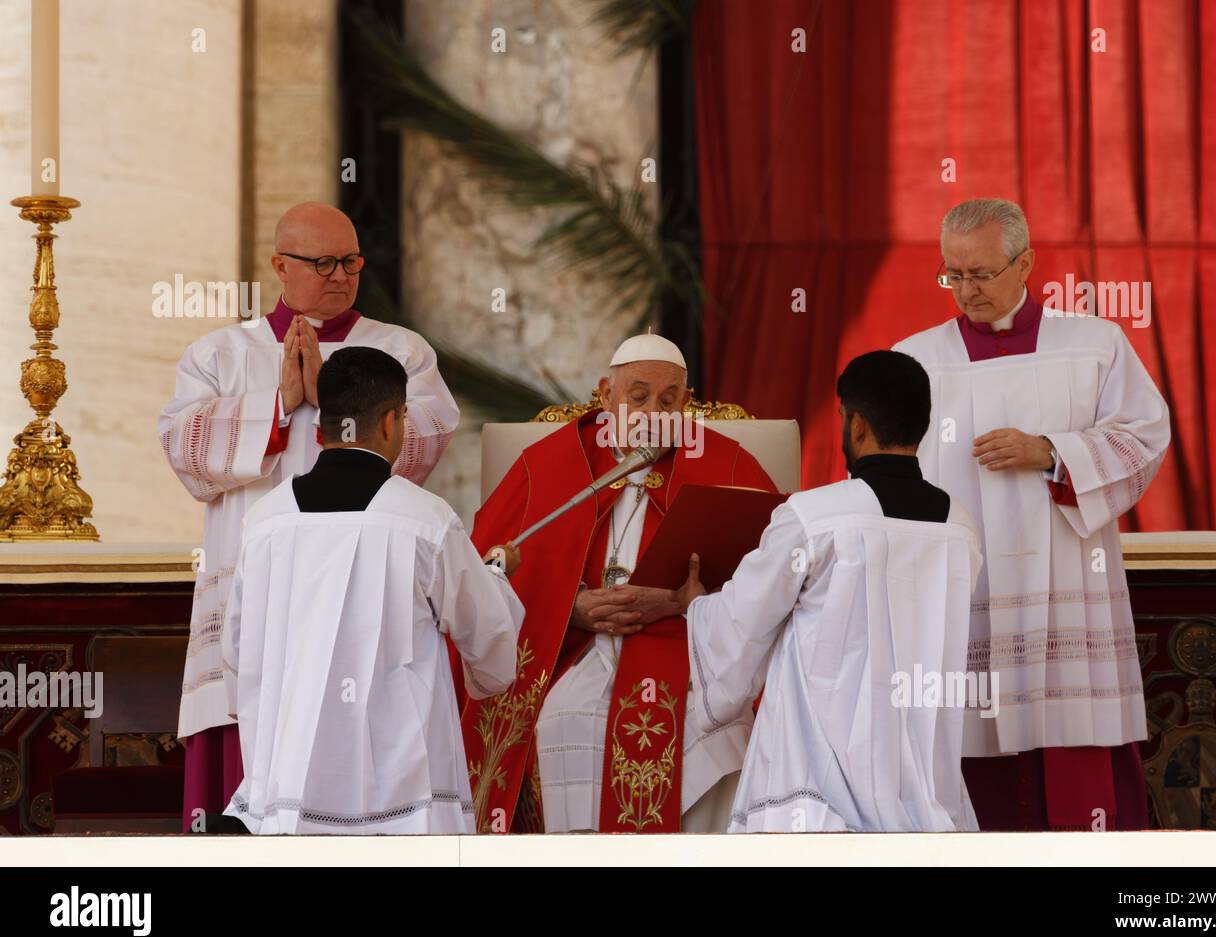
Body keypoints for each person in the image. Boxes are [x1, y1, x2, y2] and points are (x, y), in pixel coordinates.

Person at [159, 202, 460, 833]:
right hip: (257, 601)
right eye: (322, 262)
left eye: (350, 261)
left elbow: (423, 445)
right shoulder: (219, 353)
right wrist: (278, 405)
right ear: (279, 265)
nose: (339, 275)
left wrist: (334, 401)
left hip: (366, 612)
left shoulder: (399, 350)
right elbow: (187, 455)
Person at [893, 197, 1170, 831]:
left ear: (1026, 264)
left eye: (981, 274)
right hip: (968, 585)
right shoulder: (914, 361)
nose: (965, 291)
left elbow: (1144, 437)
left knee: (1071, 740)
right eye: (952, 275)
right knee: (970, 745)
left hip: (1068, 577)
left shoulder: (1094, 344)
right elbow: (884, 466)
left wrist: (1049, 452)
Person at [460, 333, 778, 833]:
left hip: (687, 649)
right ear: (606, 395)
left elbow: (772, 583)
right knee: (561, 719)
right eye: (638, 396)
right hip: (577, 649)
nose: (653, 411)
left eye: (668, 401)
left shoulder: (728, 467)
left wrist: (684, 603)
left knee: (721, 731)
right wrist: (570, 608)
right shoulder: (549, 467)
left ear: (685, 404)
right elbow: (484, 576)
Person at [221, 347, 521, 834]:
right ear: (390, 420)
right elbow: (489, 646)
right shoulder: (424, 520)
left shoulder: (265, 522)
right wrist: (497, 574)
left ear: (325, 421)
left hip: (289, 791)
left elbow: (237, 648)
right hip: (403, 802)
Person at [682, 351, 983, 832]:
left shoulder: (815, 517)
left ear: (857, 424)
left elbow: (742, 624)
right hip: (921, 789)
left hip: (817, 790)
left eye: (843, 417)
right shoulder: (960, 527)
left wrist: (694, 605)